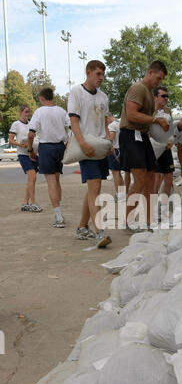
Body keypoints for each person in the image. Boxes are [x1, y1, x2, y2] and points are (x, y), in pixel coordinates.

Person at [119, 60, 169, 230]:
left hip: (142, 136)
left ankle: (148, 221)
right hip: (131, 135)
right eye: (158, 78)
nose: (159, 82)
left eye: (161, 80)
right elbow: (132, 115)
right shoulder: (138, 88)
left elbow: (145, 119)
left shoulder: (148, 92)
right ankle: (128, 220)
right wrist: (155, 120)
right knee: (140, 178)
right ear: (149, 72)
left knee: (150, 178)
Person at [68, 60, 112, 248]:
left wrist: (110, 138)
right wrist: (83, 144)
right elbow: (74, 121)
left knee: (94, 189)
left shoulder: (103, 97)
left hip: (100, 147)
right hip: (86, 148)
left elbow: (106, 119)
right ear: (88, 72)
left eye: (103, 74)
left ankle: (81, 228)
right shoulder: (76, 92)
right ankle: (99, 232)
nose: (101, 78)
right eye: (97, 74)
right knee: (95, 188)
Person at [28, 88, 70, 227]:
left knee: (51, 182)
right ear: (52, 97)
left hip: (46, 147)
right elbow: (71, 127)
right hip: (60, 147)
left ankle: (58, 216)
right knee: (57, 180)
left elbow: (31, 134)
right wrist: (67, 143)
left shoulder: (39, 112)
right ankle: (59, 209)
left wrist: (30, 149)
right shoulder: (61, 111)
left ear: (41, 98)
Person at [9, 105, 42, 212]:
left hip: (32, 153)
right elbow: (11, 140)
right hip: (23, 154)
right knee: (32, 177)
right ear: (21, 112)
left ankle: (25, 203)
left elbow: (33, 138)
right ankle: (33, 203)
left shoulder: (31, 124)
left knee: (32, 179)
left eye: (29, 112)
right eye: (26, 112)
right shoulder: (16, 124)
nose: (27, 114)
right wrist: (20, 144)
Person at [153, 86, 174, 196]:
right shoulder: (149, 109)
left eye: (167, 96)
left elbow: (170, 129)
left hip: (165, 148)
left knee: (169, 179)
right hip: (153, 148)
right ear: (155, 97)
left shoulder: (168, 111)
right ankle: (153, 204)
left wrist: (170, 141)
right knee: (156, 178)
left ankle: (163, 205)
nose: (166, 98)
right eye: (163, 96)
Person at [107, 116, 126, 201]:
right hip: (122, 150)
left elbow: (111, 138)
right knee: (119, 174)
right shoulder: (120, 124)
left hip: (114, 150)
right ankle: (123, 194)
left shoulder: (111, 125)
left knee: (116, 174)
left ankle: (120, 195)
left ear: (108, 117)